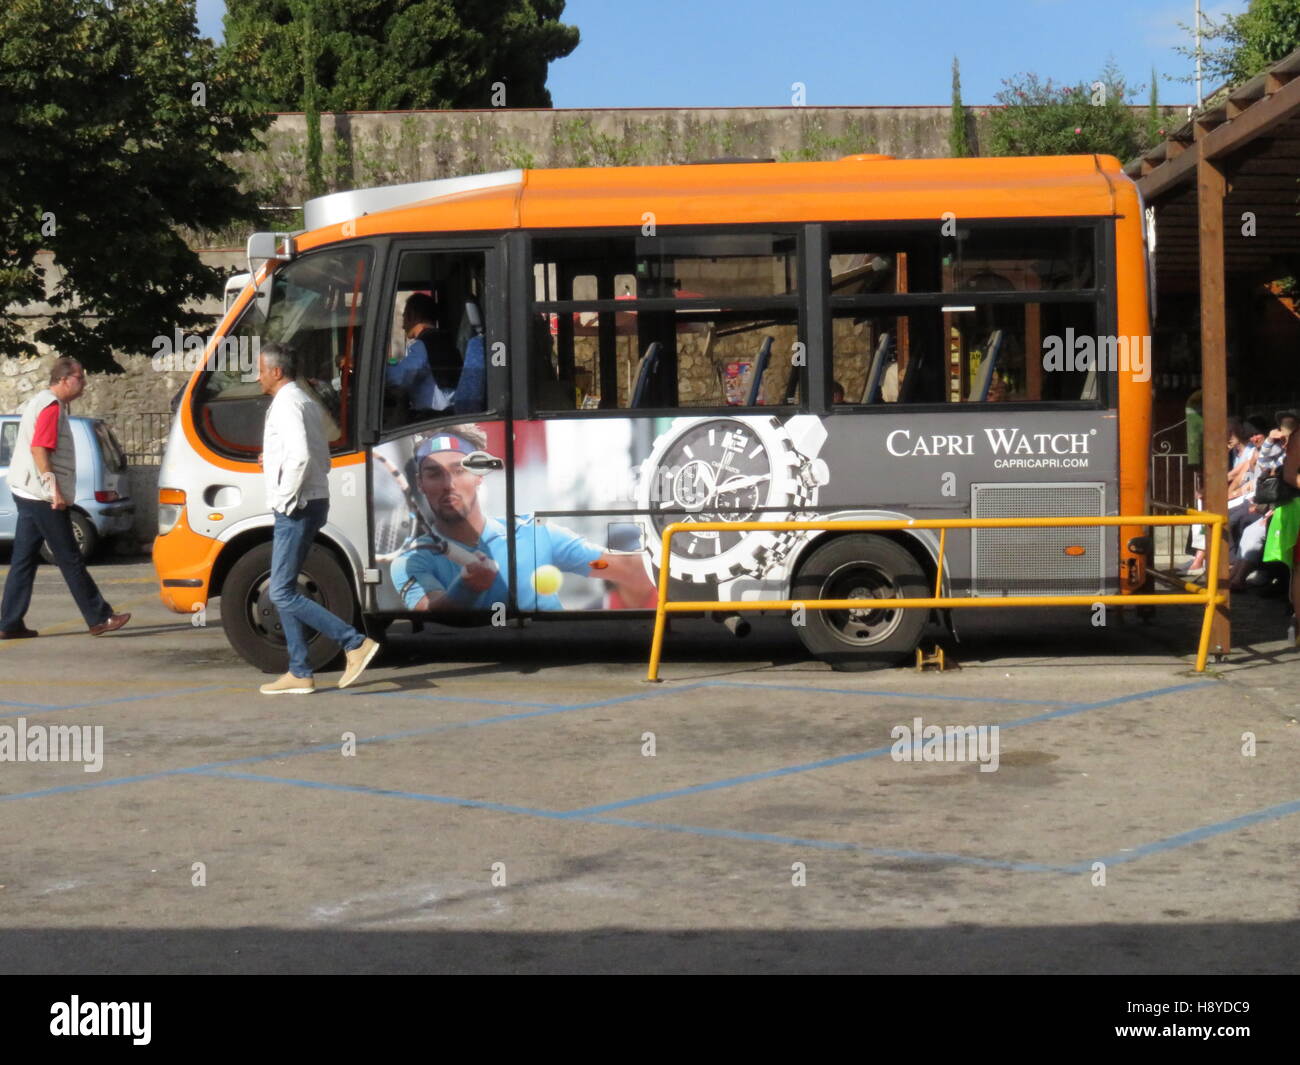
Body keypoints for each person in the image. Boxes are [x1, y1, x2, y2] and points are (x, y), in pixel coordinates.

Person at [390, 425, 656, 612]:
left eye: (459, 470)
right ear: (420, 483)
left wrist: (679, 562)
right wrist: (467, 588)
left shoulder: (537, 534)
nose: (448, 484)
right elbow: (429, 610)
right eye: (434, 474)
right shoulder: (409, 561)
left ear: (479, 474)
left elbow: (608, 565)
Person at [257, 342, 379, 694]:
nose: (258, 376)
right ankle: (299, 671)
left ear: (276, 372)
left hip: (297, 505)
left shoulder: (286, 405)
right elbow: (320, 455)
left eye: (261, 370)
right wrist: (275, 462)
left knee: (279, 590)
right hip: (312, 499)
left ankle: (354, 643)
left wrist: (284, 497)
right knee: (287, 587)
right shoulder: (305, 401)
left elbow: (299, 457)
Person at [0, 358, 130, 639]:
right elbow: (39, 450)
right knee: (69, 557)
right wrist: (53, 490)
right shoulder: (51, 407)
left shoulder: (40, 401)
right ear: (63, 380)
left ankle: (9, 623)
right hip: (40, 495)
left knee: (23, 559)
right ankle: (99, 617)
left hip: (26, 491)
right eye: (80, 378)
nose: (83, 383)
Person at [385, 292, 462, 422]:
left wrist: (374, 370)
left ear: (413, 315)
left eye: (404, 317)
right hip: (450, 414)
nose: (403, 326)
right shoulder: (446, 341)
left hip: (433, 419)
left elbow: (399, 377)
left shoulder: (422, 345)